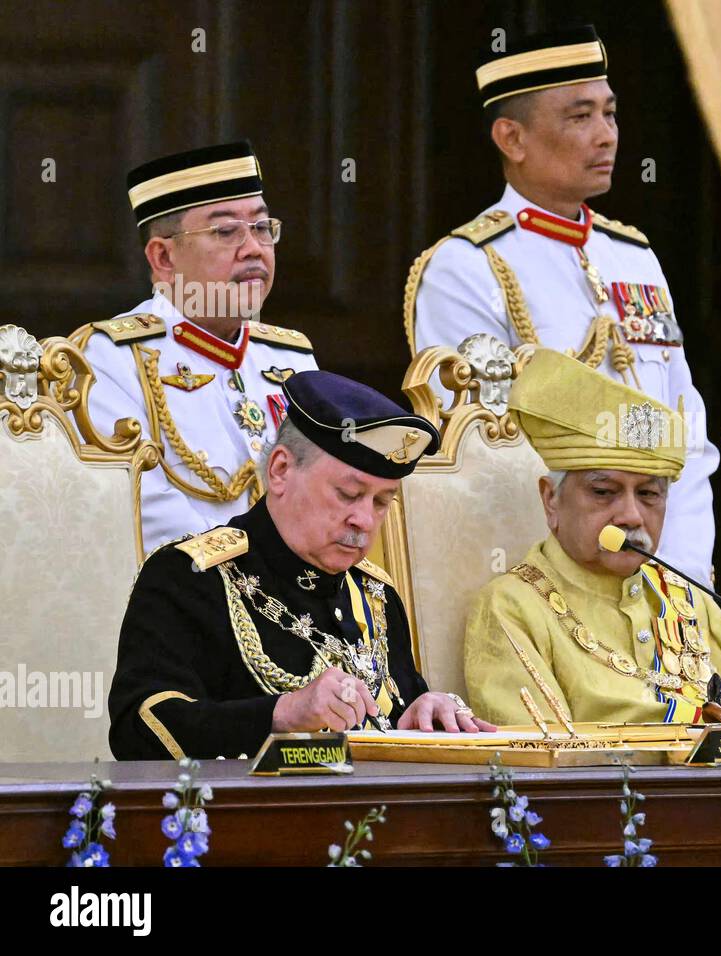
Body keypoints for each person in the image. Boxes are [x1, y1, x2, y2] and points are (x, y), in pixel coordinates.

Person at [407, 24, 718, 585]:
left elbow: (685, 432)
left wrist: (684, 574)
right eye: (580, 117)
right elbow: (486, 460)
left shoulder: (635, 257)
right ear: (512, 138)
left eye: (610, 114)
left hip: (664, 578)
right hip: (543, 585)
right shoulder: (466, 267)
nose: (607, 136)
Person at [108, 370, 494, 760]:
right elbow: (138, 729)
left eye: (381, 502)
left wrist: (423, 716)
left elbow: (385, 732)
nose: (364, 520)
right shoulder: (190, 578)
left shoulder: (376, 596)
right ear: (280, 470)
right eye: (348, 494)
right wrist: (280, 715)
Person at [462, 348, 721, 729]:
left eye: (649, 494)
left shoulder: (689, 600)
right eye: (604, 492)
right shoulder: (511, 607)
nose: (632, 516)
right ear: (551, 500)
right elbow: (545, 763)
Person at [76, 140, 318, 553]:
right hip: (187, 601)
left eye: (262, 228)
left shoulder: (290, 356)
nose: (253, 249)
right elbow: (140, 512)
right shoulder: (110, 359)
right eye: (226, 232)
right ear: (163, 258)